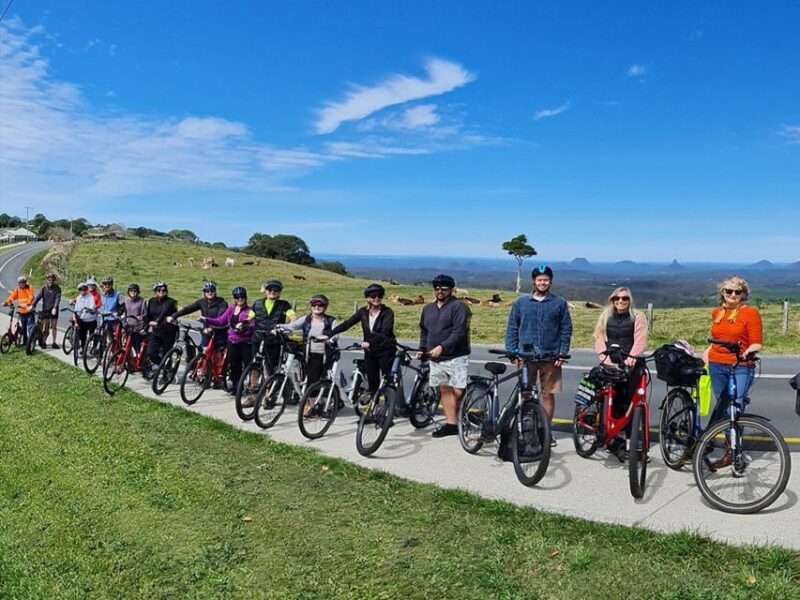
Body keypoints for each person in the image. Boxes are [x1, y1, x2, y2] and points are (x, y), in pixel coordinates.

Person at [504, 265, 572, 445]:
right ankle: (528, 430)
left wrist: (562, 353)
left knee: (548, 395)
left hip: (551, 357)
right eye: (539, 279)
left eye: (546, 279)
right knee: (526, 395)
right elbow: (512, 327)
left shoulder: (559, 303)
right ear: (534, 281)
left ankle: (546, 432)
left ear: (551, 281)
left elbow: (566, 329)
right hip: (525, 357)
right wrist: (512, 351)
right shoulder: (521, 303)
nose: (543, 282)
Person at [702, 276, 762, 469]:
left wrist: (749, 351)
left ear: (744, 294)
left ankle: (733, 452)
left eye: (737, 292)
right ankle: (725, 446)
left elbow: (756, 341)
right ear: (723, 293)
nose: (733, 295)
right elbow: (716, 338)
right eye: (729, 291)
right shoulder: (717, 313)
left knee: (734, 409)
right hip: (716, 365)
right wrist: (707, 352)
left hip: (740, 366)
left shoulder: (750, 313)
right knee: (722, 405)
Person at [592, 286, 648, 460]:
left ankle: (632, 442)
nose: (621, 301)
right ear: (612, 301)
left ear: (630, 301)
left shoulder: (637, 317)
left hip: (631, 365)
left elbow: (640, 340)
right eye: (617, 299)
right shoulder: (605, 317)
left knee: (632, 403)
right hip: (610, 363)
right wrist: (606, 360)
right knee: (613, 402)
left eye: (624, 298)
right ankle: (613, 438)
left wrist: (630, 359)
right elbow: (599, 339)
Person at [322, 283, 397, 404]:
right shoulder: (363, 312)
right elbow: (348, 323)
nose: (376, 298)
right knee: (373, 383)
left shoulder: (387, 312)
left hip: (386, 350)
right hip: (370, 351)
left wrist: (368, 342)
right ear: (367, 298)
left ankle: (388, 410)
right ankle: (373, 410)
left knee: (387, 381)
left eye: (379, 295)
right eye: (373, 296)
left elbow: (385, 332)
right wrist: (329, 334)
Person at [419, 274, 471, 438]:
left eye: (444, 288)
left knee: (457, 390)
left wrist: (443, 347)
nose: (440, 291)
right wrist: (422, 348)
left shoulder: (459, 307)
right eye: (437, 288)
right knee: (444, 389)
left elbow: (459, 332)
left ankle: (459, 414)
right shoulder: (428, 309)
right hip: (436, 357)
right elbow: (424, 331)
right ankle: (451, 424)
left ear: (452, 290)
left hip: (456, 355)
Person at [200, 287, 255, 393]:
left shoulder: (250, 311)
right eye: (237, 297)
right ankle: (236, 386)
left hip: (245, 342)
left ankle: (251, 387)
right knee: (234, 365)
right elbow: (221, 321)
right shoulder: (231, 309)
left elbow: (253, 325)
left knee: (248, 365)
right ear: (234, 298)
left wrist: (244, 327)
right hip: (232, 342)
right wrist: (206, 319)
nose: (240, 299)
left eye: (242, 296)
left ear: (246, 297)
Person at [277, 294, 339, 386]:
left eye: (320, 304)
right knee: (310, 381)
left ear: (325, 306)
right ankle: (310, 399)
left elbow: (336, 333)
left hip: (326, 355)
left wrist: (328, 338)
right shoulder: (306, 319)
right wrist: (277, 327)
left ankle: (324, 397)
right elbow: (292, 327)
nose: (316, 307)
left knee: (324, 381)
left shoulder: (331, 320)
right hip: (309, 355)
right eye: (314, 304)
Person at [251, 279, 297, 373]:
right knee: (254, 363)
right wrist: (242, 323)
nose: (272, 292)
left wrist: (288, 326)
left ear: (279, 292)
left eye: (276, 290)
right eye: (270, 289)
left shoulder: (284, 305)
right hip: (258, 337)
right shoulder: (257, 303)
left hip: (274, 338)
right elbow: (250, 317)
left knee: (270, 365)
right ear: (265, 291)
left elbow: (293, 317)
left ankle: (269, 386)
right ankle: (253, 386)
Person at [167, 282, 228, 349]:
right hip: (206, 332)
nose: (210, 293)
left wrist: (211, 328)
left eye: (212, 291)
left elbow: (220, 319)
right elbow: (188, 309)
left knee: (218, 353)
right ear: (204, 293)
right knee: (203, 352)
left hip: (219, 332)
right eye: (207, 291)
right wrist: (173, 316)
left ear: (215, 291)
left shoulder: (222, 303)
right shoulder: (202, 302)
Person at [144, 281, 178, 371]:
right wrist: (147, 324)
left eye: (164, 290)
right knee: (151, 353)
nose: (161, 292)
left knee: (166, 354)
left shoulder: (171, 302)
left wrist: (158, 322)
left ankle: (166, 373)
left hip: (168, 332)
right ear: (155, 291)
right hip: (156, 331)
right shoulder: (151, 301)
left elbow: (165, 312)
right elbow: (147, 315)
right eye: (159, 290)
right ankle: (164, 366)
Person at [3, 276, 36, 347]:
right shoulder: (17, 290)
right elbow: (12, 297)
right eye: (20, 283)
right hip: (21, 311)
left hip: (29, 311)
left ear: (25, 282)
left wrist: (28, 305)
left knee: (30, 327)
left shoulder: (30, 288)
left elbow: (31, 296)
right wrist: (6, 303)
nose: (21, 284)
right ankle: (24, 342)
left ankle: (31, 343)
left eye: (22, 283)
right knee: (23, 327)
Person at [32, 273, 62, 349]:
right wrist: (33, 305)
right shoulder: (43, 288)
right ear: (47, 280)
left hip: (54, 310)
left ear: (54, 280)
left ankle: (54, 342)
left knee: (54, 326)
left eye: (52, 279)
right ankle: (44, 342)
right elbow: (38, 297)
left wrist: (55, 307)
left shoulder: (57, 288)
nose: (50, 280)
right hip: (45, 310)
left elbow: (57, 299)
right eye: (49, 279)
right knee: (46, 327)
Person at [120, 283, 146, 352]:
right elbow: (124, 313)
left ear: (138, 292)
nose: (133, 293)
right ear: (128, 292)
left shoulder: (142, 301)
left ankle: (138, 360)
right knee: (127, 345)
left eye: (135, 291)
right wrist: (123, 325)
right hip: (128, 326)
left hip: (137, 327)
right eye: (131, 291)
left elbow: (145, 314)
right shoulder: (126, 301)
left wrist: (141, 317)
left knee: (137, 346)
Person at [72, 282, 98, 353]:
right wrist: (75, 315)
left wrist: (89, 309)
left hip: (91, 319)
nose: (82, 291)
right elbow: (76, 309)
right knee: (83, 335)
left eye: (84, 289)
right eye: (81, 289)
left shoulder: (90, 297)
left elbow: (92, 306)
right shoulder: (79, 298)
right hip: (83, 319)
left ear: (86, 290)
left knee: (91, 335)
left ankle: (94, 347)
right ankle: (83, 349)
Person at [99, 276, 124, 342]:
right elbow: (101, 306)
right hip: (105, 319)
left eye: (109, 284)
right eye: (105, 284)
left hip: (114, 320)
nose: (107, 285)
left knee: (117, 340)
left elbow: (123, 306)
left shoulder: (118, 295)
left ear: (112, 284)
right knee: (107, 338)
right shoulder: (103, 295)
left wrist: (118, 313)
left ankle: (118, 351)